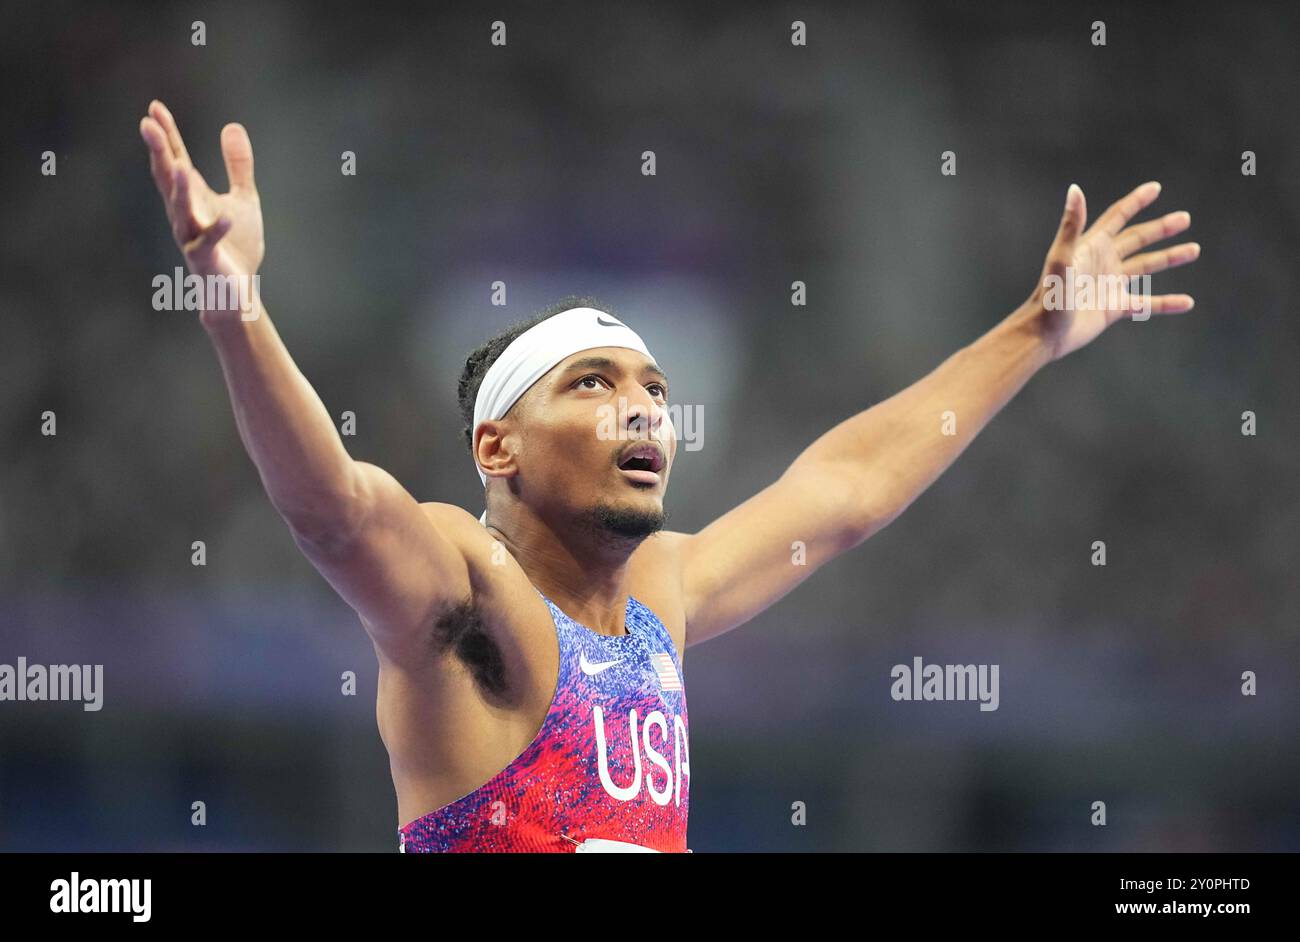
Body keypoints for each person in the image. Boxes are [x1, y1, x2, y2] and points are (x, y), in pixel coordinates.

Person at [138, 99, 1200, 852]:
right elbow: (332, 511)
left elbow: (844, 492)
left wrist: (1034, 332)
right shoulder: (466, 590)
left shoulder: (663, 595)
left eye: (651, 386)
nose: (643, 406)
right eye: (592, 384)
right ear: (496, 448)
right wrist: (235, 307)